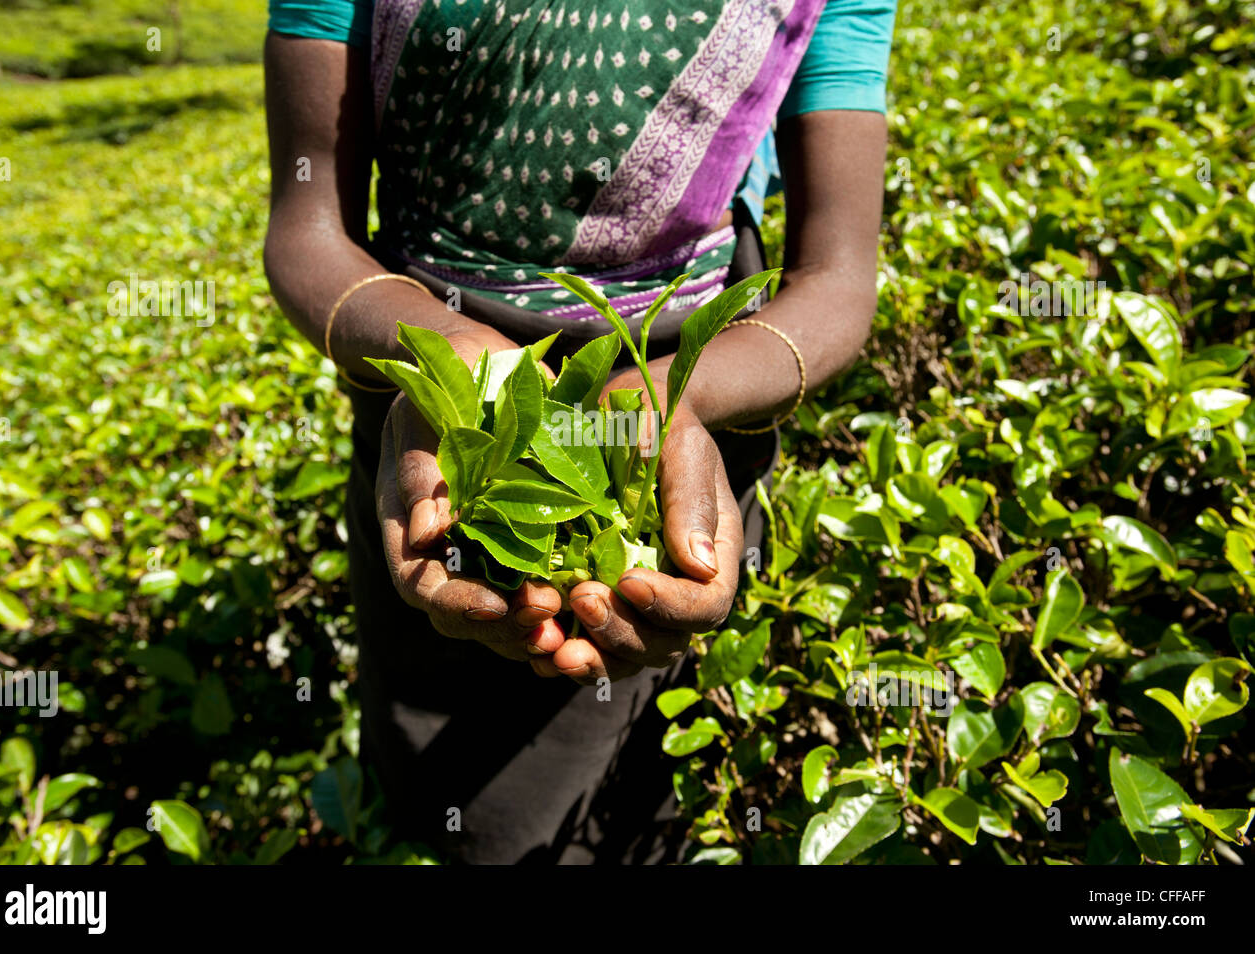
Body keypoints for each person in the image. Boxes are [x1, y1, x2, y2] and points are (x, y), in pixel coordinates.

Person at [263, 0, 895, 863]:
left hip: (693, 381)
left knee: (663, 776)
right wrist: (446, 357)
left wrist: (682, 400)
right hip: (426, 369)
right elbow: (307, 232)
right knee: (458, 800)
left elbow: (839, 278)